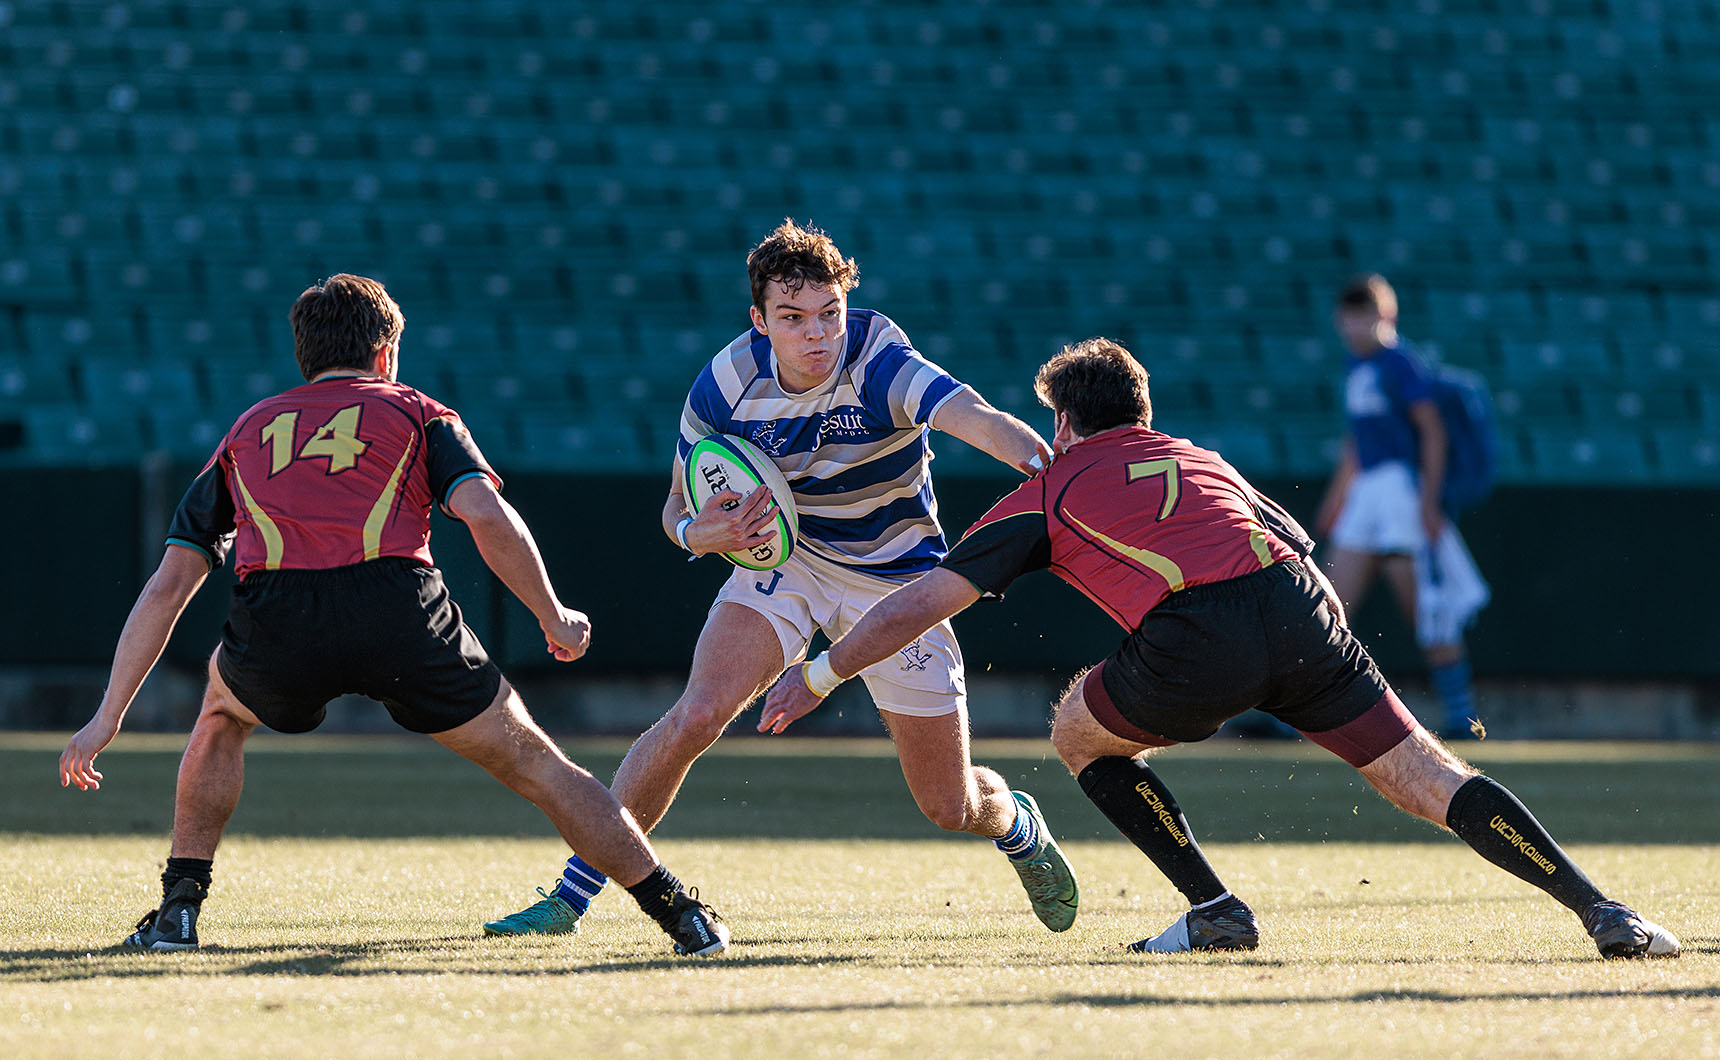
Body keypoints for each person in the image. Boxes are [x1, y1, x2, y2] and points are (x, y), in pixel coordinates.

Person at [760, 337, 1680, 960]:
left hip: (1199, 635)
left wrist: (819, 673)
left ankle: (1215, 911)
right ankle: (1604, 910)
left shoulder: (1048, 487)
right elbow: (1289, 540)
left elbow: (920, 601)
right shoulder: (1201, 454)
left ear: (1067, 426)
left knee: (1079, 733)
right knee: (1431, 779)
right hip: (1302, 606)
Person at [58, 274, 728, 957]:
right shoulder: (417, 411)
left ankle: (178, 913)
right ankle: (681, 916)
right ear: (385, 356)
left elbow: (170, 585)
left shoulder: (249, 429)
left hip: (281, 614)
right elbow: (485, 515)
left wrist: (106, 717)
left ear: (306, 357)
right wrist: (551, 615)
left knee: (222, 717)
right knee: (535, 762)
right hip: (397, 606)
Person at [484, 220, 1079, 937]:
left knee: (946, 805)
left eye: (829, 313)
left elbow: (973, 416)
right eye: (793, 319)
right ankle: (572, 897)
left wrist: (1041, 458)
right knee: (696, 715)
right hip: (786, 562)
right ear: (759, 321)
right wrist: (696, 534)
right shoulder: (724, 385)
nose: (817, 334)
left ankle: (1016, 826)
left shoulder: (880, 357)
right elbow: (677, 506)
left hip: (897, 577)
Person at [1316, 274, 1490, 739]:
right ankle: (1292, 714)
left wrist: (1429, 504)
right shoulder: (1355, 368)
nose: (1354, 327)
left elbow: (1432, 431)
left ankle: (1461, 715)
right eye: (1348, 318)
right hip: (1367, 493)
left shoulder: (1401, 364)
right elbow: (1357, 443)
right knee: (1325, 605)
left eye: (1363, 317)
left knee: (1426, 610)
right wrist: (1337, 499)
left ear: (1385, 317)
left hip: (1399, 493)